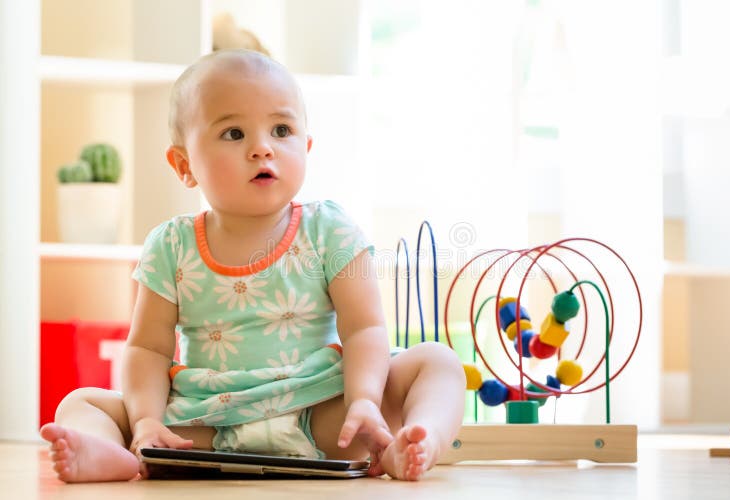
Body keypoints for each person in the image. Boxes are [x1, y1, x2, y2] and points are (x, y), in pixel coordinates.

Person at [40, 49, 465, 482]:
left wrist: (364, 399)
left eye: (281, 130)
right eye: (233, 133)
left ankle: (410, 444)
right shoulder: (171, 245)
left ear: (306, 146)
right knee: (82, 401)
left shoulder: (330, 230)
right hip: (203, 423)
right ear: (185, 165)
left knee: (437, 363)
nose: (262, 148)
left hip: (323, 415)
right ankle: (115, 456)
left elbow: (364, 329)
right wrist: (148, 420)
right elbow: (148, 348)